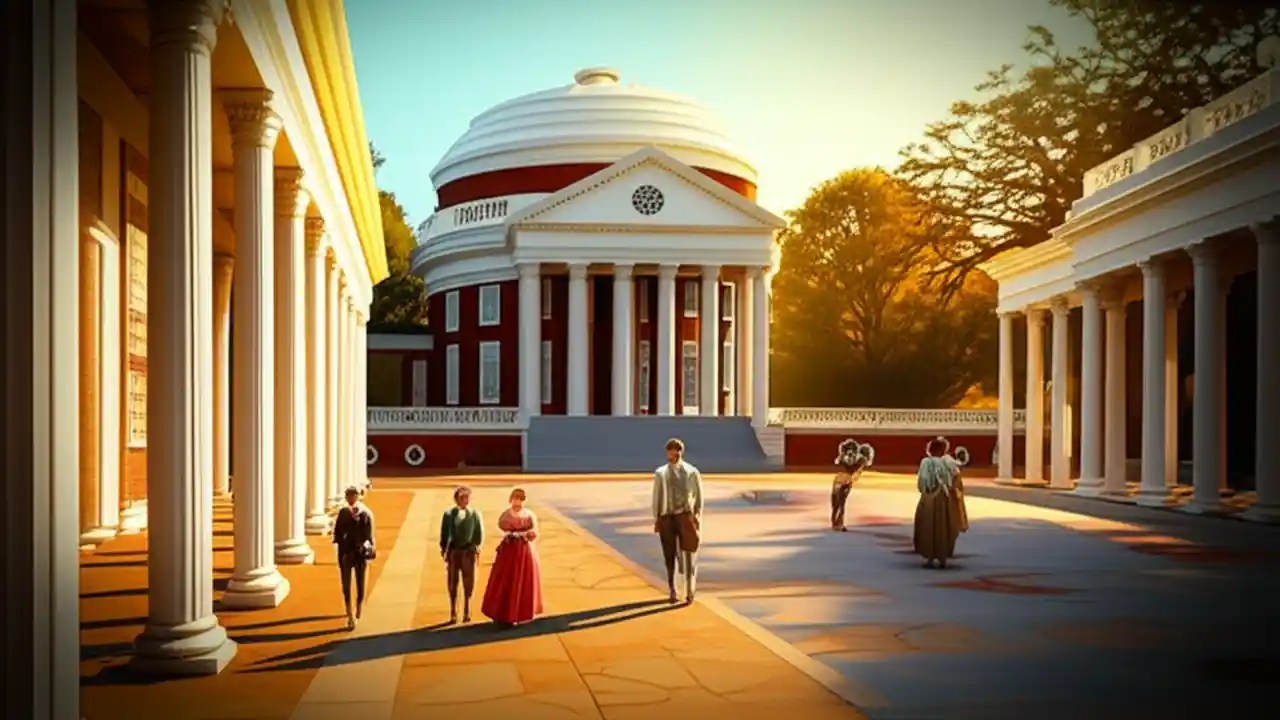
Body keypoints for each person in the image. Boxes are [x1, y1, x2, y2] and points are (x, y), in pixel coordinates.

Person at [480, 488, 544, 626]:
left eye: (520, 498)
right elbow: (504, 527)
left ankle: (521, 613)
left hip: (524, 550)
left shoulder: (529, 514)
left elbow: (533, 532)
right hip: (509, 551)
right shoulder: (506, 515)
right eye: (515, 498)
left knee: (523, 578)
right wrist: (513, 535)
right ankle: (503, 613)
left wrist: (526, 535)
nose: (518, 501)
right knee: (506, 579)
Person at [652, 438, 703, 604]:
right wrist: (657, 518)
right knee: (669, 554)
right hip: (667, 517)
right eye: (669, 451)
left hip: (685, 516)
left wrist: (696, 516)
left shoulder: (692, 472)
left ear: (680, 453)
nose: (672, 454)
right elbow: (656, 497)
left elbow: (699, 496)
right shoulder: (661, 473)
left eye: (674, 452)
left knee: (688, 554)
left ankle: (689, 590)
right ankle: (673, 589)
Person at [913, 436, 963, 569]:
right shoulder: (949, 462)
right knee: (943, 526)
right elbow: (956, 480)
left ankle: (929, 558)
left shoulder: (926, 462)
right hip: (944, 498)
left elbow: (922, 481)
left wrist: (925, 489)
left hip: (929, 497)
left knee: (928, 526)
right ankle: (942, 558)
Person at [332, 485, 375, 630]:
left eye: (353, 495)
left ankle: (358, 607)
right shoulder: (343, 513)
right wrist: (342, 543)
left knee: (360, 585)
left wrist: (367, 547)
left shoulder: (365, 514)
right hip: (346, 554)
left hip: (360, 555)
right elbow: (336, 534)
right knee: (346, 586)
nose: (351, 498)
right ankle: (349, 614)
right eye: (349, 495)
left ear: (358, 496)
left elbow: (369, 536)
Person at [439, 485, 483, 623]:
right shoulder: (448, 514)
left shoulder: (475, 514)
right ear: (456, 499)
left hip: (468, 551)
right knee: (452, 582)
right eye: (461, 497)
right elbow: (444, 533)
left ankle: (467, 609)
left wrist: (476, 546)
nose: (464, 500)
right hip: (453, 551)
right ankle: (453, 610)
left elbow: (478, 532)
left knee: (469, 581)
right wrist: (444, 548)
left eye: (466, 497)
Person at [831, 439, 867, 531]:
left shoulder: (857, 459)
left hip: (844, 482)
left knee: (840, 503)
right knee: (837, 503)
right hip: (840, 481)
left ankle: (838, 523)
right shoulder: (845, 458)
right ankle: (836, 522)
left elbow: (856, 473)